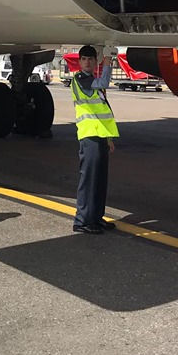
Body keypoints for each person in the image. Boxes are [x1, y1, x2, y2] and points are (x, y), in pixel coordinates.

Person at [69, 45, 119, 234]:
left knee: (99, 180)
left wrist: (108, 138)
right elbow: (104, 81)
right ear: (79, 62)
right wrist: (108, 62)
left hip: (100, 136)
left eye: (90, 59)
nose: (87, 62)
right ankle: (82, 221)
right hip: (89, 136)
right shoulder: (80, 79)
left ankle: (96, 217)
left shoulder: (91, 80)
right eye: (84, 59)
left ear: (94, 61)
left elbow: (102, 111)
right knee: (89, 180)